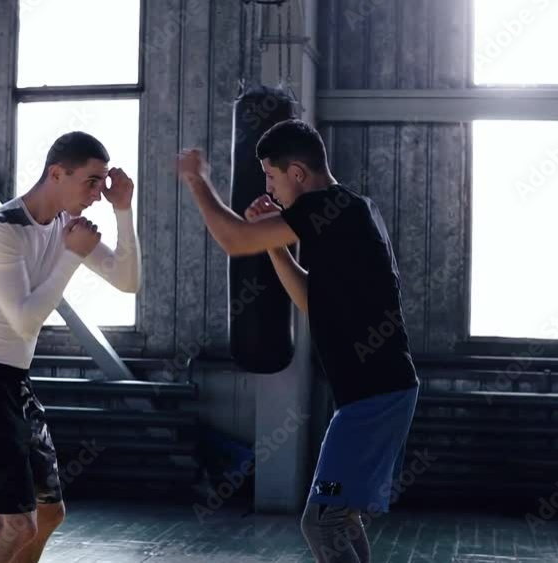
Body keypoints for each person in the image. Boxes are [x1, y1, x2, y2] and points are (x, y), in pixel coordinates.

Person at [177, 119, 419, 563]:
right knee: (339, 514)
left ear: (297, 173)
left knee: (322, 518)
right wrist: (275, 244)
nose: (269, 189)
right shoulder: (349, 210)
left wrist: (197, 180)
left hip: (374, 399)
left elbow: (233, 239)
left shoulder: (324, 205)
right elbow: (312, 301)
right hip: (374, 396)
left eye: (271, 176)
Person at [0, 131, 141, 563]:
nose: (98, 194)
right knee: (16, 526)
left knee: (49, 514)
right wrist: (72, 256)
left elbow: (127, 281)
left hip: (15, 381)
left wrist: (124, 210)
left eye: (102, 183)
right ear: (56, 174)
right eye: (91, 182)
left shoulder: (64, 227)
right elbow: (24, 320)